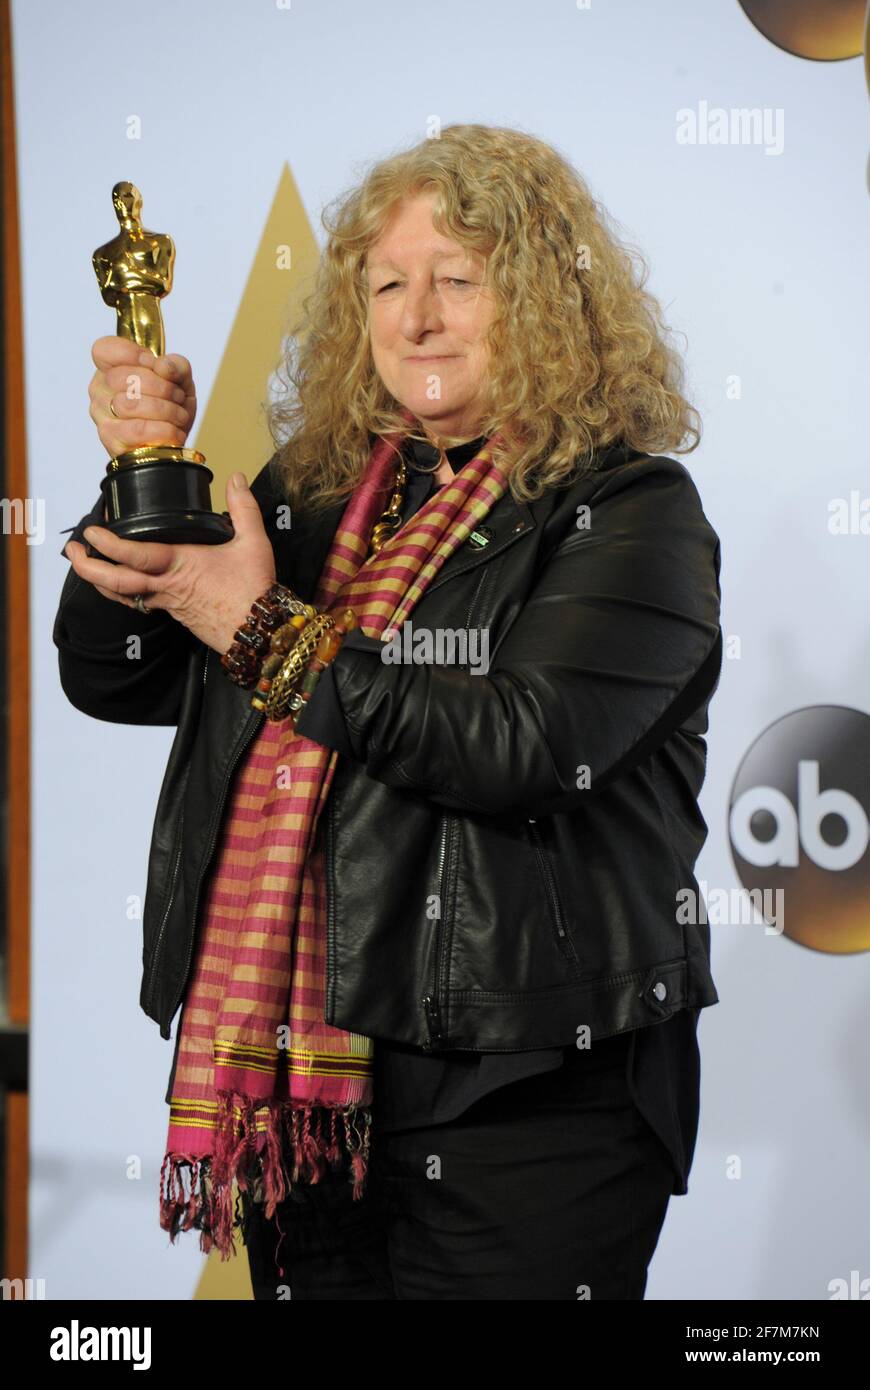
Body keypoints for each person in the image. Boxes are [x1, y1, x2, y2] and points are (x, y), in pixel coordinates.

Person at [54, 123, 723, 1300]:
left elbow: (523, 745)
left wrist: (255, 625)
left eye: (459, 280)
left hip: (529, 1104)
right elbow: (121, 673)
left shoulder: (631, 510)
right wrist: (148, 477)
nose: (417, 318)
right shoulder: (309, 499)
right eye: (388, 284)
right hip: (314, 1113)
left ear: (545, 300)